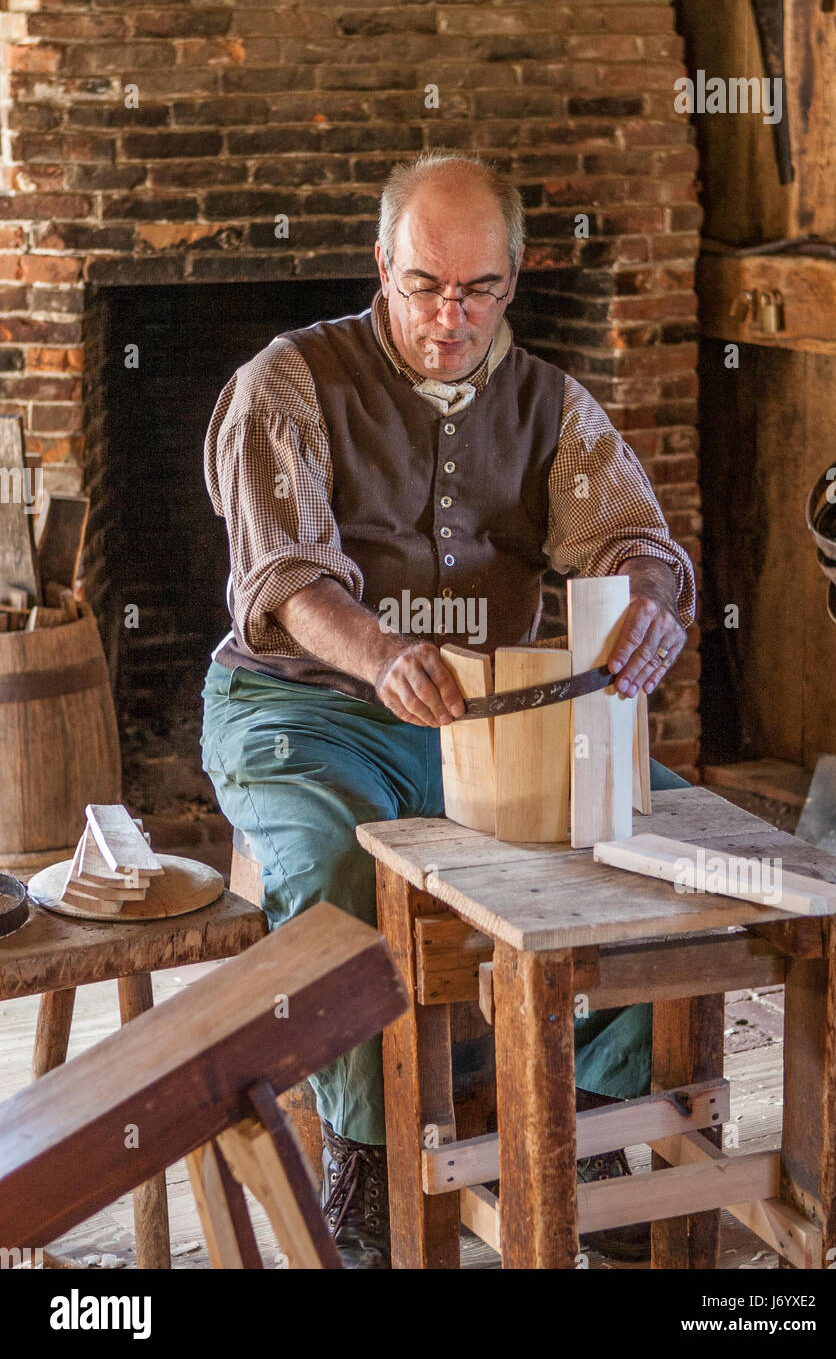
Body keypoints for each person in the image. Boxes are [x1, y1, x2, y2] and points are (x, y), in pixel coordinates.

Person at [200, 149, 695, 1268]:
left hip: (483, 714)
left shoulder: (547, 404)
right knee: (344, 865)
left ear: (512, 281)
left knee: (652, 838)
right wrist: (378, 654)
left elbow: (634, 542)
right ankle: (367, 1155)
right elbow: (282, 581)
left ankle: (596, 1121)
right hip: (308, 705)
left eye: (477, 290)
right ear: (382, 265)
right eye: (424, 285)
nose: (448, 317)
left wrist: (650, 605)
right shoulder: (287, 382)